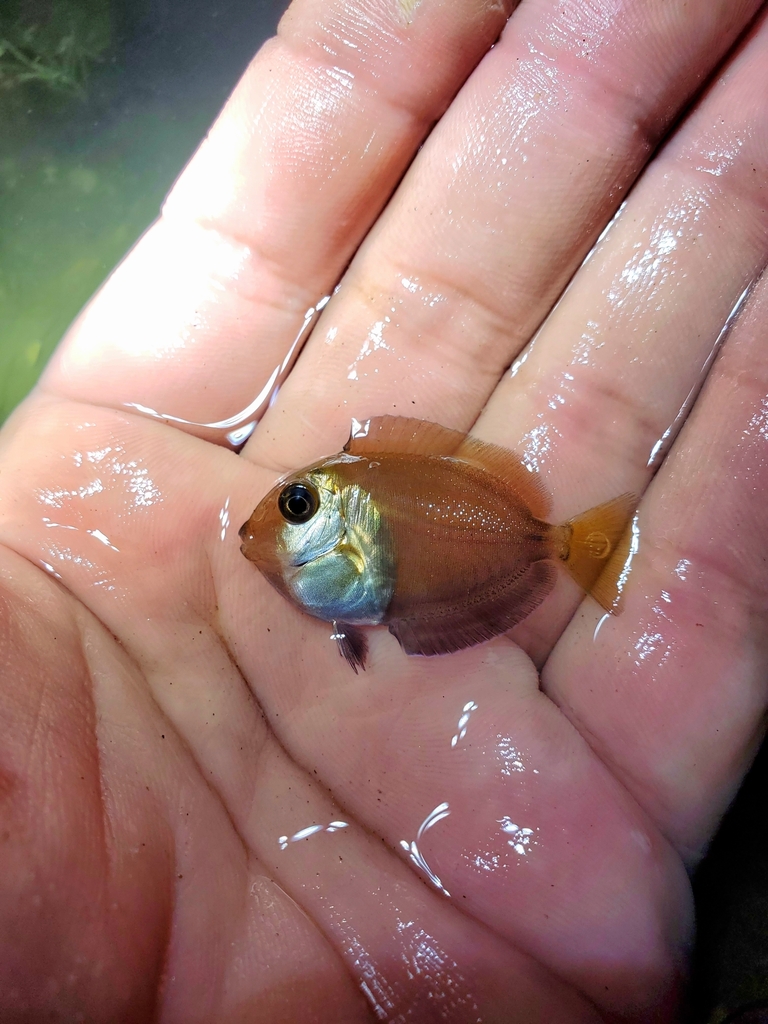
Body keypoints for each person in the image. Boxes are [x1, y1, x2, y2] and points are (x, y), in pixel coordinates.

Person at [1, 0, 767, 1019]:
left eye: (299, 501)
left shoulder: (358, 518)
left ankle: (580, 550)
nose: (274, 518)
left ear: (339, 507)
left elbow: (372, 582)